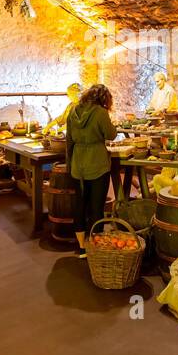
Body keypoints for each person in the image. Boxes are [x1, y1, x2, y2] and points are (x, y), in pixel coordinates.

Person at [66, 83, 117, 254]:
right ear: (104, 99)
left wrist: (69, 165)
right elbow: (111, 134)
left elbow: (69, 141)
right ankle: (95, 246)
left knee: (79, 204)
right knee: (96, 206)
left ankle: (81, 246)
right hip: (97, 163)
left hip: (77, 163)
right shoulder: (101, 113)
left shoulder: (72, 112)